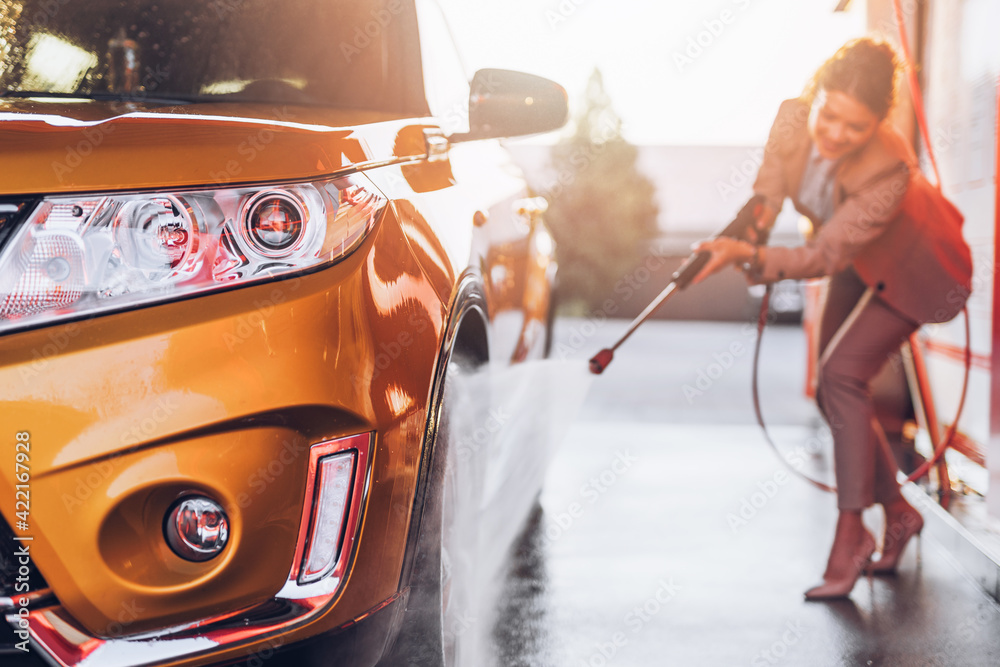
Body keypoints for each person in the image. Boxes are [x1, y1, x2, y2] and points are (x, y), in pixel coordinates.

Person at [692, 37, 972, 600]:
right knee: (830, 389)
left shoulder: (890, 169)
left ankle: (852, 533)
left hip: (920, 271)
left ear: (877, 126)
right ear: (815, 91)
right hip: (859, 260)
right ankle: (897, 513)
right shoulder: (792, 119)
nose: (836, 134)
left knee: (843, 375)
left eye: (856, 128)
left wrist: (752, 258)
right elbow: (768, 192)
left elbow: (824, 257)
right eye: (831, 115)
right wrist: (743, 239)